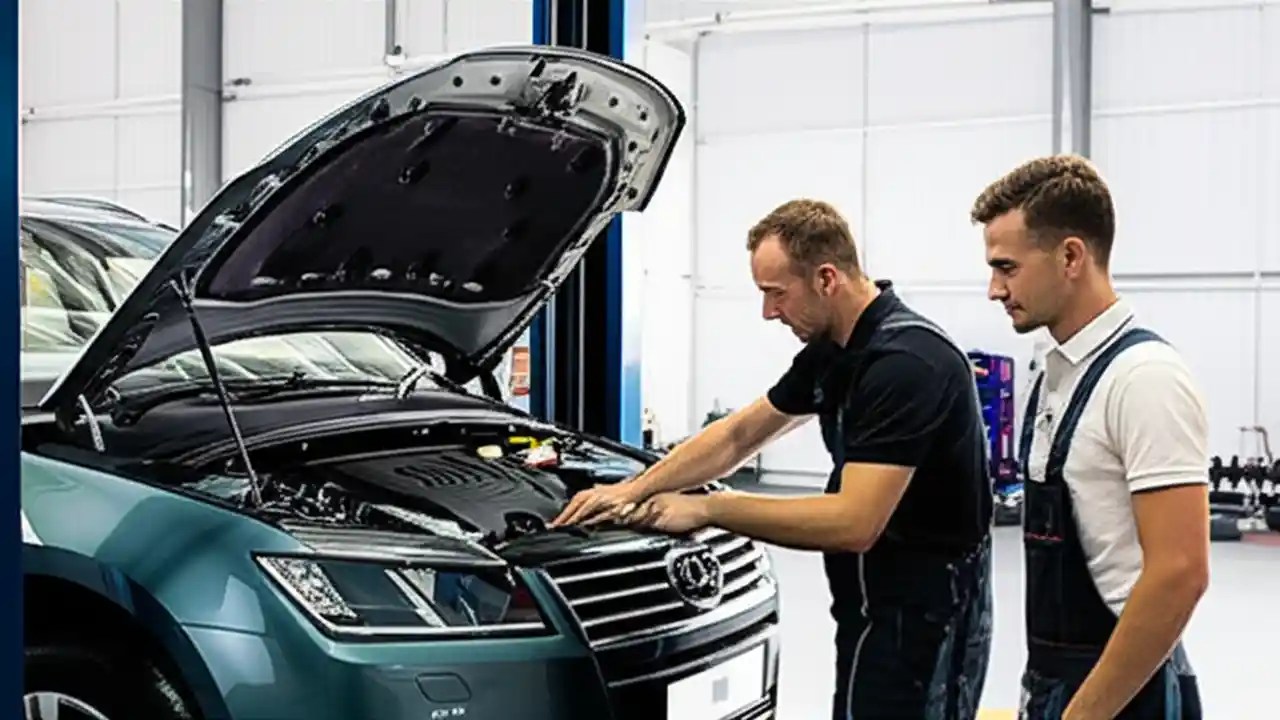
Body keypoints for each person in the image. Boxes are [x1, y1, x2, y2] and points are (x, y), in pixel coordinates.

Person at [551, 199, 995, 719]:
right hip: (876, 605)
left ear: (827, 278)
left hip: (927, 617)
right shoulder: (837, 350)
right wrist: (633, 489)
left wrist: (712, 508)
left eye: (776, 294)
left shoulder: (906, 364)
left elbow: (854, 522)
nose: (768, 312)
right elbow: (739, 435)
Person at [969, 154, 1210, 719]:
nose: (994, 289)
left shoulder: (1144, 379)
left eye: (1007, 267)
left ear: (1071, 256)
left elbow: (1179, 574)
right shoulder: (1054, 371)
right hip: (1058, 677)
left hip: (1129, 692)